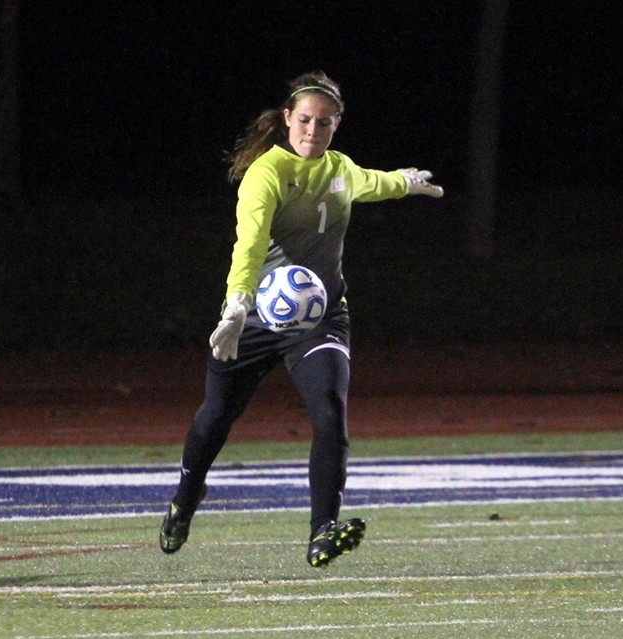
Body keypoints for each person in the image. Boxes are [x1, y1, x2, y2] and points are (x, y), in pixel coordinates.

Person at [159, 70, 444, 568]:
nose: (314, 131)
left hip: (321, 317)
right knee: (214, 419)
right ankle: (186, 496)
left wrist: (404, 182)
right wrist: (236, 304)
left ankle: (322, 531)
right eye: (306, 120)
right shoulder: (266, 174)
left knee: (330, 412)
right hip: (253, 316)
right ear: (288, 119)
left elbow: (370, 183)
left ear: (337, 126)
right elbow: (248, 244)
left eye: (326, 123)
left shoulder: (340, 168)